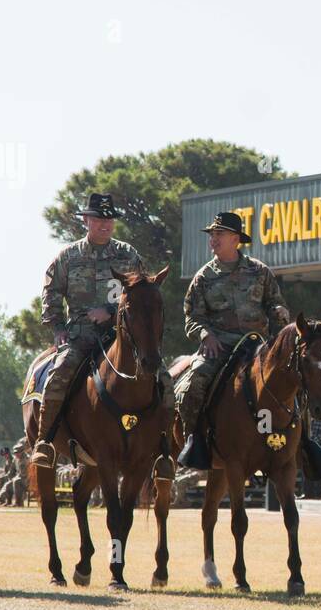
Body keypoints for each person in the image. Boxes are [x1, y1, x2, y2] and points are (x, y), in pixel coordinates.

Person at [33, 193, 173, 468]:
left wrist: (110, 313)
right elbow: (50, 294)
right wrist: (58, 329)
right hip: (81, 335)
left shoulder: (128, 255)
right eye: (98, 219)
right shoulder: (68, 257)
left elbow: (145, 294)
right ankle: (45, 442)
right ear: (86, 220)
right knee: (58, 376)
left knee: (165, 381)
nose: (104, 224)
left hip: (123, 335)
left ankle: (164, 451)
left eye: (109, 219)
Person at [175, 211, 292, 469]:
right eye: (212, 235)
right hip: (219, 347)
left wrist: (279, 312)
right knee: (191, 386)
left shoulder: (260, 271)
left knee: (297, 380)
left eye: (220, 234)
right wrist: (205, 335)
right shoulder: (203, 277)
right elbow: (192, 318)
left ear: (236, 239)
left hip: (257, 346)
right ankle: (194, 441)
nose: (214, 239)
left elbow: (275, 303)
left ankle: (303, 444)